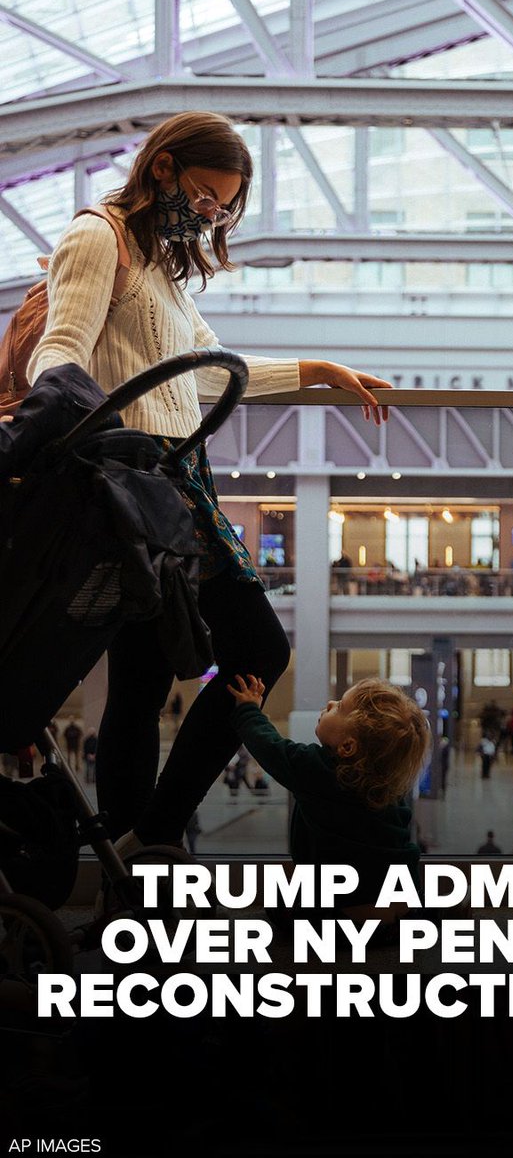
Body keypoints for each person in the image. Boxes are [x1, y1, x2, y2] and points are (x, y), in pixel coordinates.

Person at [23, 112, 392, 851]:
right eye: (204, 197)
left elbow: (214, 368)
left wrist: (317, 371)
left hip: (171, 479)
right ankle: (153, 837)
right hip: (133, 480)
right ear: (161, 168)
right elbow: (58, 353)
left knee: (140, 681)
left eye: (224, 208)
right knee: (258, 649)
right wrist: (89, 445)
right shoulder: (99, 235)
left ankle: (137, 863)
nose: (211, 216)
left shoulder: (159, 266)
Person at [227, 674, 429, 917]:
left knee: (280, 906)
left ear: (347, 746)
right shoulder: (389, 786)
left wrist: (249, 710)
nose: (331, 703)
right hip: (396, 896)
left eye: (341, 707)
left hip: (341, 905)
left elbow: (271, 748)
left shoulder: (318, 769)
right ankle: (415, 915)